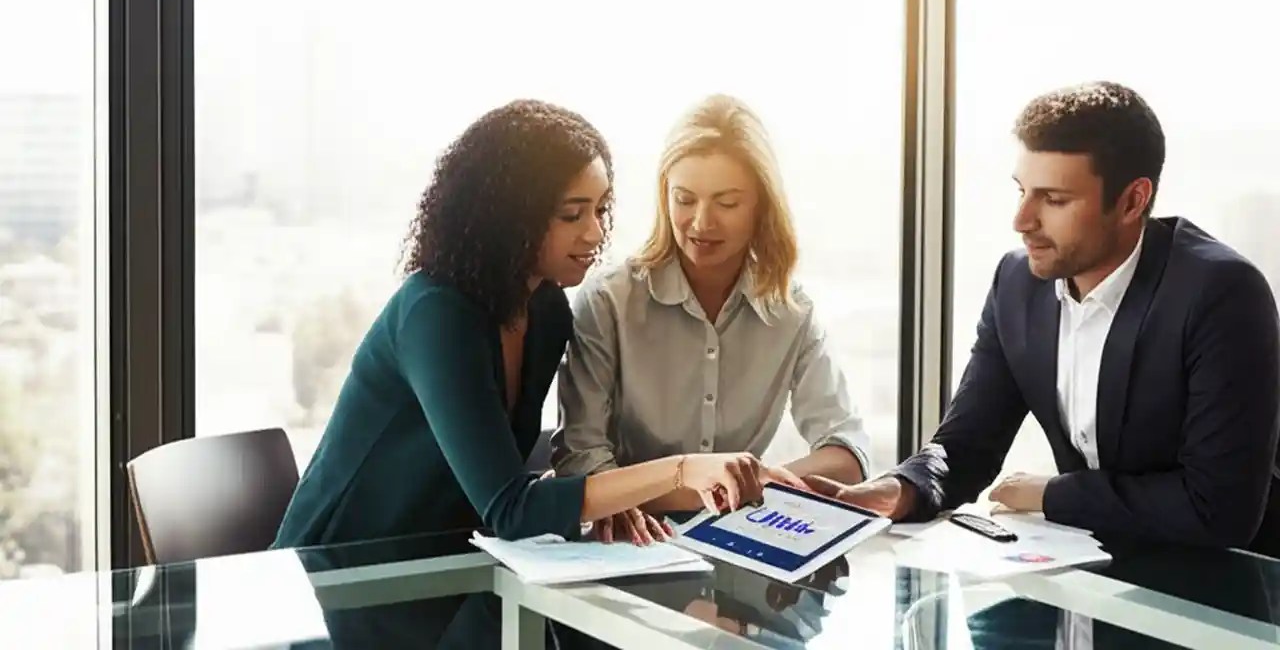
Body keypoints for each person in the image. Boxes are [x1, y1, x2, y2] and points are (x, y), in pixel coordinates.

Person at [273, 99, 772, 554]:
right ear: (511, 216)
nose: (595, 232)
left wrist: (603, 496)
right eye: (572, 215)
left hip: (446, 568)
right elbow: (511, 510)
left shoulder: (547, 312)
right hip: (333, 574)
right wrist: (682, 469)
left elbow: (502, 489)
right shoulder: (435, 315)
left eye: (600, 210)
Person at [805, 81, 1280, 558]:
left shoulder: (1221, 294)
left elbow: (1218, 509)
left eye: (1054, 200)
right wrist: (896, 491)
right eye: (1022, 191)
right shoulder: (1018, 284)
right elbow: (966, 445)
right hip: (1099, 569)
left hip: (1235, 583)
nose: (1022, 220)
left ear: (1132, 201)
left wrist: (1050, 494)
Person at [551, 94, 871, 545]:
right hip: (630, 542)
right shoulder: (609, 301)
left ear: (761, 205)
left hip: (739, 541)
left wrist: (758, 481)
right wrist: (729, 486)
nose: (701, 223)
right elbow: (581, 460)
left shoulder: (791, 310)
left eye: (727, 202)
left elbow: (848, 452)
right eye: (684, 199)